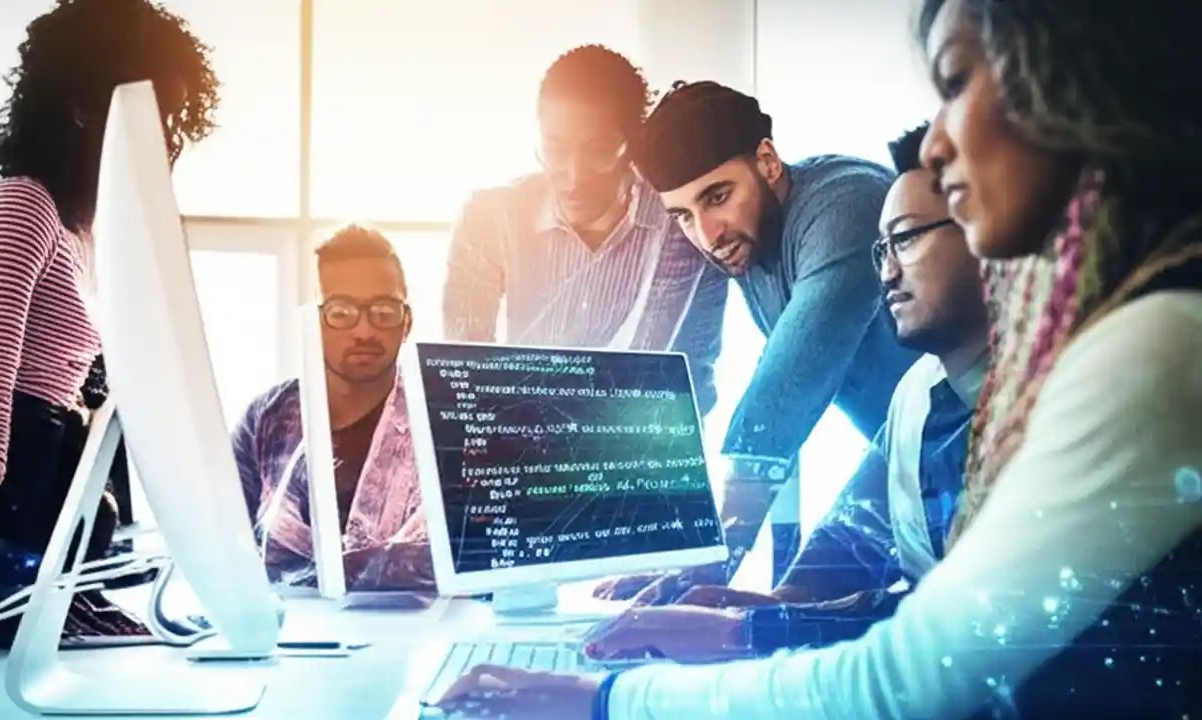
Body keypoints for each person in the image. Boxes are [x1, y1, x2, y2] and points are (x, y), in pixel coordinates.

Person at [434, 0, 1202, 716]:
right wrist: (749, 620)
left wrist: (610, 698)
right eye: (681, 215)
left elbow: (910, 675)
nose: (937, 143)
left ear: (1077, 86)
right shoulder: (922, 400)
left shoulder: (1155, 345)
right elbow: (878, 580)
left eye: (959, 81)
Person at [580, 121, 992, 663]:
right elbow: (858, 531)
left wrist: (745, 612)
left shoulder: (1043, 416)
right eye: (882, 248)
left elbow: (965, 625)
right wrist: (770, 603)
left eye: (908, 239)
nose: (888, 271)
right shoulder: (918, 396)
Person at [0, 0, 219, 646]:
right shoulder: (22, 205)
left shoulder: (90, 237)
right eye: (152, 116)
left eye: (173, 121)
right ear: (85, 107)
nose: (167, 140)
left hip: (33, 519)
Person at [596, 81, 922, 604]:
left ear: (767, 161)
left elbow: (783, 395)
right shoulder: (747, 241)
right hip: (905, 456)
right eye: (682, 215)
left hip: (989, 453)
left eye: (718, 196)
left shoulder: (847, 206)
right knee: (787, 606)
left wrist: (708, 557)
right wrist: (697, 560)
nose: (707, 234)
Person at [443, 44, 727, 414]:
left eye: (599, 149)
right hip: (516, 438)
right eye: (556, 149)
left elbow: (676, 374)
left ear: (633, 145)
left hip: (639, 440)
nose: (574, 176)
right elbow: (463, 373)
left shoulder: (678, 220)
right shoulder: (491, 216)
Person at [233, 225, 433, 591]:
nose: (364, 331)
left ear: (407, 322)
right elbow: (224, 543)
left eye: (384, 311)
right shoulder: (265, 420)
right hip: (285, 634)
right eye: (341, 311)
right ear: (312, 321)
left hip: (417, 629)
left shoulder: (440, 419)